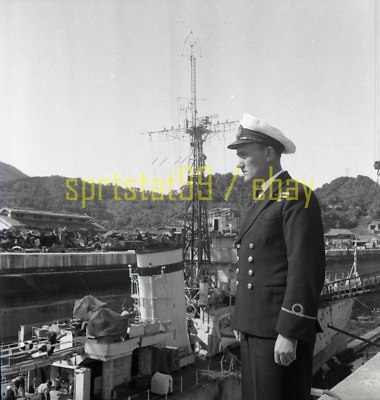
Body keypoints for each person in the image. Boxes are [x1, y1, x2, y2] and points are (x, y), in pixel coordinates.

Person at [227, 114, 326, 400]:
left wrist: (290, 332)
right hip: (254, 328)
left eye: (245, 154)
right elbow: (249, 270)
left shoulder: (297, 197)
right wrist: (241, 321)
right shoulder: (258, 203)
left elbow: (305, 268)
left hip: (277, 331)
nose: (239, 162)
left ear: (269, 153)